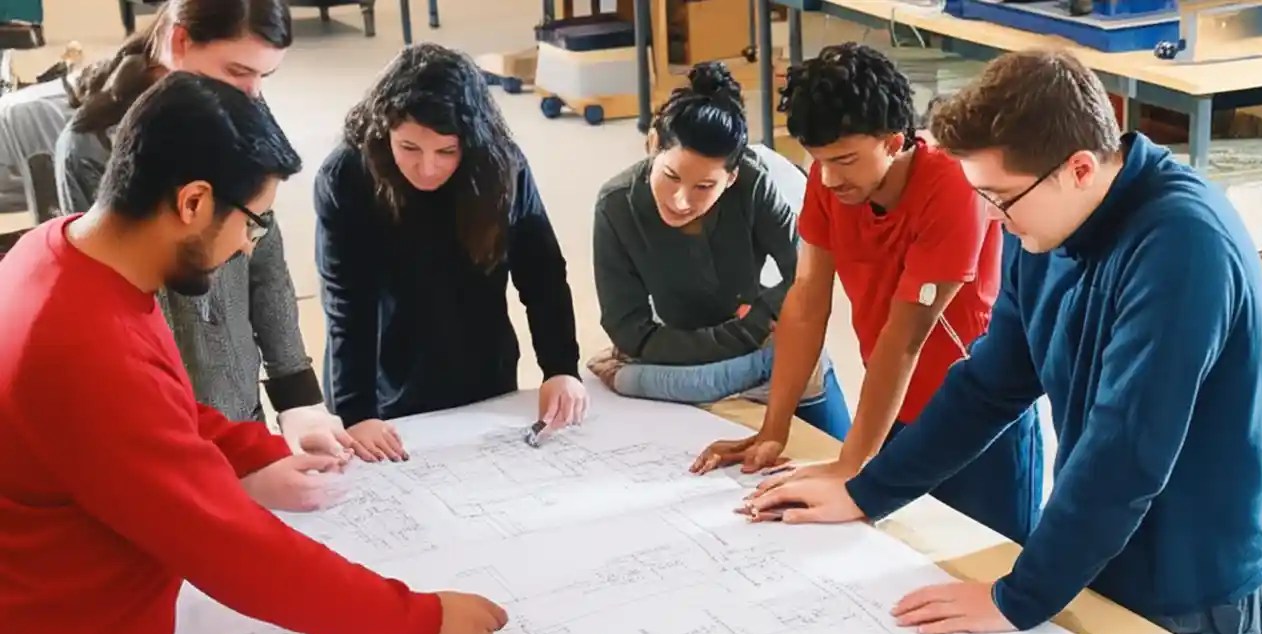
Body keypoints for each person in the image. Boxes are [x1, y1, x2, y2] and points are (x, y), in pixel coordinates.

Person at [0, 72, 508, 634]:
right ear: (192, 203)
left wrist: (256, 449)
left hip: (73, 631)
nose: (248, 244)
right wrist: (421, 618)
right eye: (253, 223)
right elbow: (240, 556)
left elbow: (165, 409)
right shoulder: (85, 348)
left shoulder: (64, 251)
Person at [748, 49, 1262, 634]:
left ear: (1077, 168)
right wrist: (867, 490)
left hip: (1186, 592)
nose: (992, 219)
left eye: (1000, 199)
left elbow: (1125, 453)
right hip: (1098, 556)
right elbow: (988, 384)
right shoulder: (1045, 226)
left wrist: (1019, 598)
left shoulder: (1184, 250)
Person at [694, 43, 1043, 545]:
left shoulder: (952, 183)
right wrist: (774, 429)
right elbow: (807, 300)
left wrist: (852, 465)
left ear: (893, 141)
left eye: (845, 160)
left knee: (991, 560)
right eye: (818, 161)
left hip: (980, 417)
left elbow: (906, 336)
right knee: (905, 558)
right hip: (895, 409)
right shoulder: (829, 179)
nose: (829, 177)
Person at [53, 0, 377, 461]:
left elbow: (264, 255)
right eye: (239, 69)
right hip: (166, 413)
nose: (252, 92)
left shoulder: (242, 103)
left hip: (238, 400)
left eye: (265, 77)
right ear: (181, 41)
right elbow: (120, 309)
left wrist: (297, 395)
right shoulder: (90, 146)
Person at [317, 43, 586, 454]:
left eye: (446, 151)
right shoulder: (348, 176)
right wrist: (357, 413)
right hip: (384, 381)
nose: (427, 168)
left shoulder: (501, 166)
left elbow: (542, 272)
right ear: (384, 129)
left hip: (482, 367)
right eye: (409, 148)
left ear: (472, 141)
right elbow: (347, 303)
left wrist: (561, 368)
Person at [590, 62, 851, 439]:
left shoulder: (752, 182)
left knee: (841, 452)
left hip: (761, 345)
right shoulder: (616, 206)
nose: (681, 200)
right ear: (652, 145)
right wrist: (747, 337)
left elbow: (806, 272)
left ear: (730, 178)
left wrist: (758, 319)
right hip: (679, 352)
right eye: (671, 177)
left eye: (704, 187)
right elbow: (629, 329)